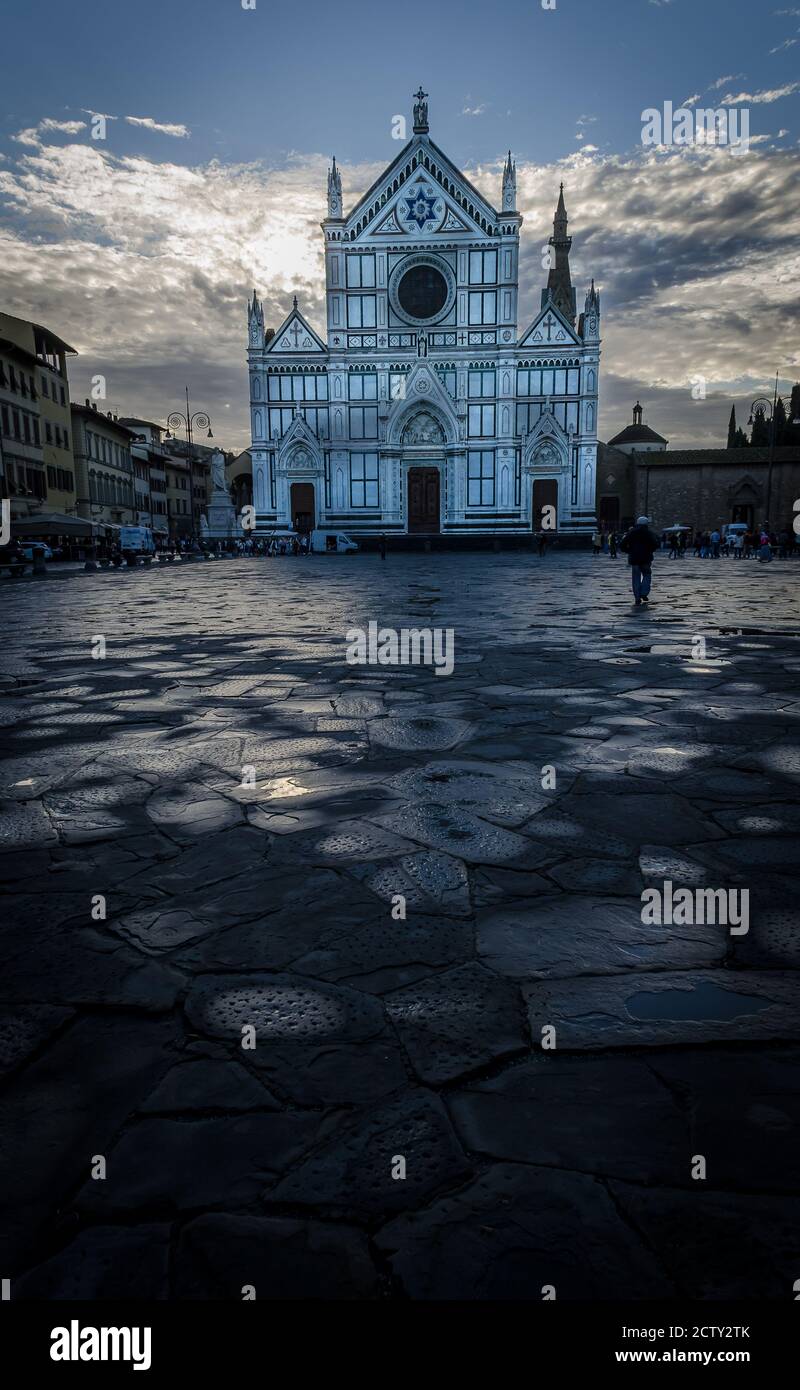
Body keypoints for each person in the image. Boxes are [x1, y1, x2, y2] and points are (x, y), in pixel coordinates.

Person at [619, 515, 660, 606]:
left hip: (634, 559)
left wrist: (629, 551)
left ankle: (637, 597)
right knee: (647, 575)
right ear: (646, 524)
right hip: (646, 558)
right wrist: (650, 550)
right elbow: (656, 544)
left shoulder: (631, 533)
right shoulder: (649, 533)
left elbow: (622, 545)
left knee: (635, 578)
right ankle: (644, 593)